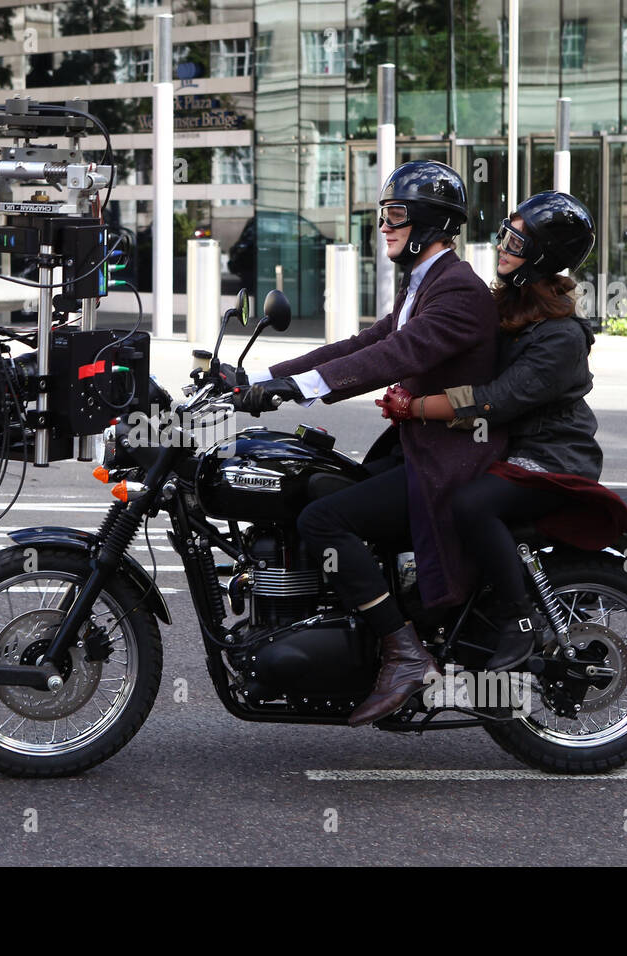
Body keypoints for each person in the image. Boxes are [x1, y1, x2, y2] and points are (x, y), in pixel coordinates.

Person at [230, 160, 507, 727]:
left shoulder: (456, 290)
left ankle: (405, 653)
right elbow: (365, 342)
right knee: (311, 490)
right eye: (383, 215)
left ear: (432, 223)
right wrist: (259, 378)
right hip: (421, 452)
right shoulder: (426, 281)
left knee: (323, 521)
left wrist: (298, 388)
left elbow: (394, 358)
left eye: (396, 215)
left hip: (448, 464)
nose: (384, 225)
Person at [379, 191, 627, 672]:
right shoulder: (507, 305)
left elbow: (493, 399)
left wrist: (416, 408)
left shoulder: (561, 337)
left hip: (550, 459)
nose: (502, 246)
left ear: (543, 255)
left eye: (515, 240)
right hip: (508, 450)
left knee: (470, 504)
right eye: (503, 234)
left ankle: (517, 618)